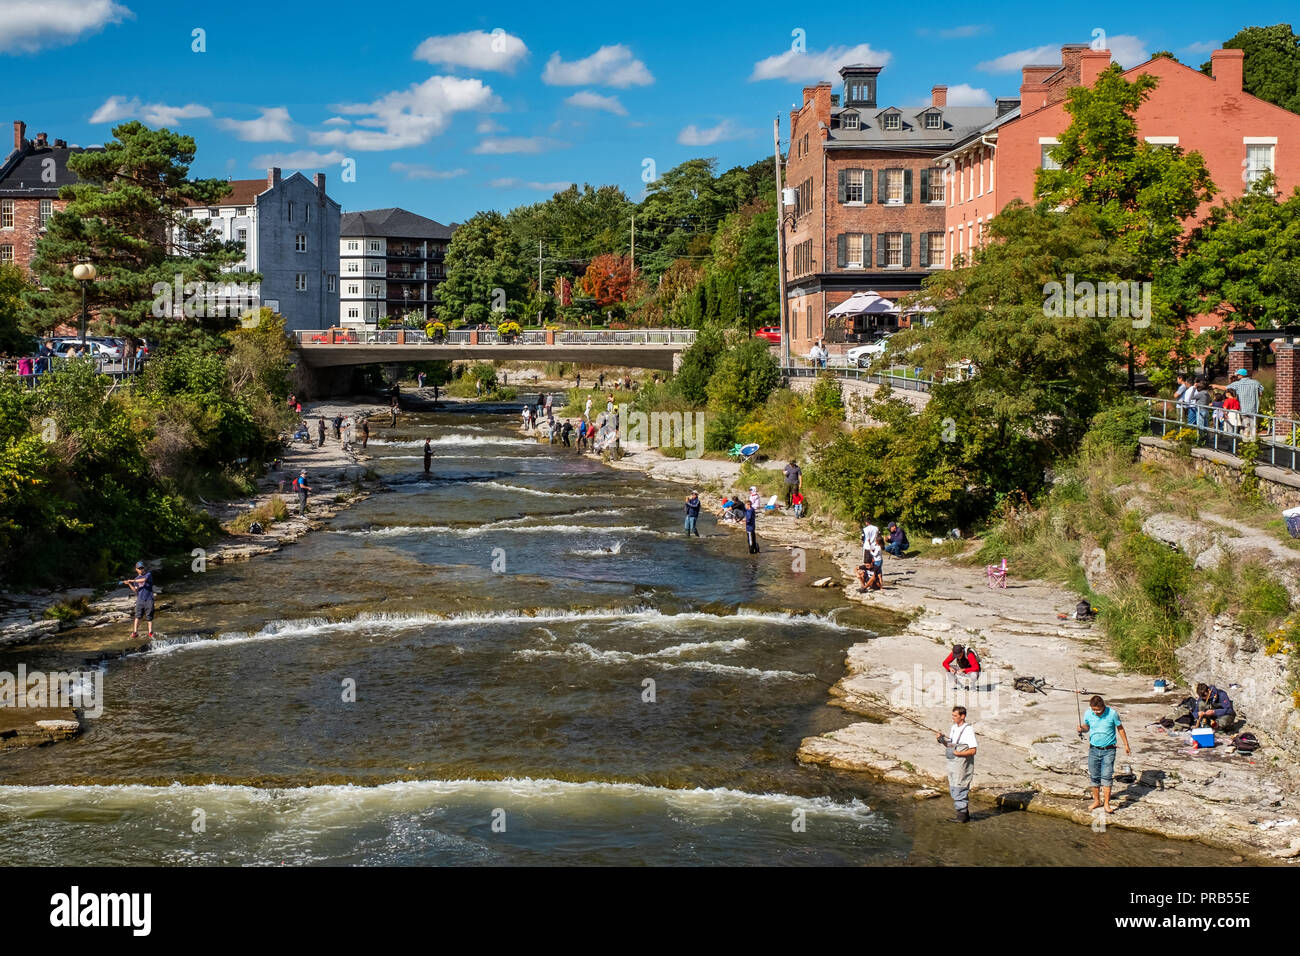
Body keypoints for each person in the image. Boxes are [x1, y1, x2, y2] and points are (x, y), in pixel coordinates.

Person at [1078, 695, 1131, 815]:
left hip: (1109, 750)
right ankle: (1097, 801)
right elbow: (1087, 727)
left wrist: (1126, 745)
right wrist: (1081, 728)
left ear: (1103, 706)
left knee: (1106, 776)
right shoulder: (1088, 713)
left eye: (1098, 710)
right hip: (1093, 749)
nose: (1096, 712)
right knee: (1094, 776)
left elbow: (1120, 728)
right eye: (1094, 710)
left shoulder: (1112, 713)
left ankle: (1106, 804)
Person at [936, 706, 977, 823]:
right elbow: (950, 746)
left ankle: (962, 818)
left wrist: (959, 753)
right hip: (952, 764)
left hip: (961, 765)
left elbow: (973, 750)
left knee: (960, 787)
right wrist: (941, 739)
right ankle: (965, 815)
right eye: (952, 715)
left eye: (955, 716)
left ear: (962, 716)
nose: (952, 718)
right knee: (954, 787)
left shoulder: (968, 730)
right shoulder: (954, 727)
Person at [1218, 368, 1264, 441]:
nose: (1237, 376)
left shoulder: (1237, 384)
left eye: (1238, 375)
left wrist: (1215, 386)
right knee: (1253, 425)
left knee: (1245, 425)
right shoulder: (1256, 383)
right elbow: (1261, 393)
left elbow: (1225, 388)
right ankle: (1253, 440)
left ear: (1240, 375)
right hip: (1253, 408)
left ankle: (1245, 441)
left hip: (1242, 408)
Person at [122, 560, 155, 640]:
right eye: (139, 568)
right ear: (136, 569)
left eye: (142, 568)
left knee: (149, 617)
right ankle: (135, 632)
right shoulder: (136, 578)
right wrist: (129, 584)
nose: (141, 569)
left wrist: (132, 581)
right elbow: (136, 590)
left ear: (144, 568)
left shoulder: (148, 575)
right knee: (138, 616)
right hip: (140, 600)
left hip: (149, 599)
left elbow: (143, 580)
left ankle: (150, 632)